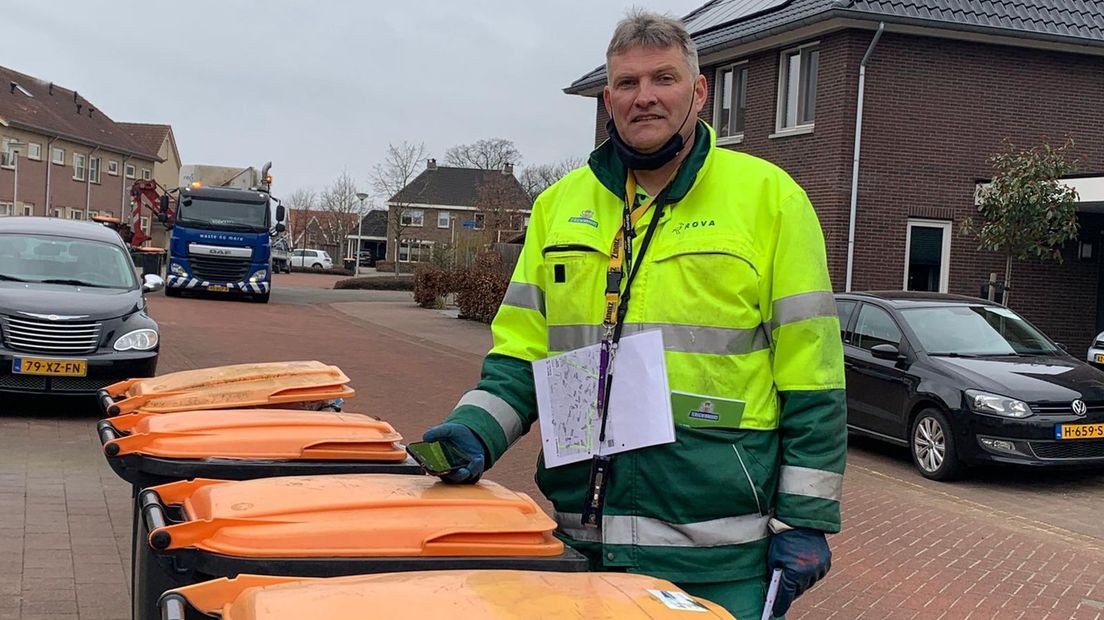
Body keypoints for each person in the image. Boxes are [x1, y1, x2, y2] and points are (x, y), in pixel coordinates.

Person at [423, 10, 846, 619]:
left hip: (721, 556)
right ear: (608, 98)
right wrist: (475, 431)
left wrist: (805, 519)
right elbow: (522, 353)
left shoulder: (771, 200)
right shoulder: (557, 208)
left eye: (663, 79)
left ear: (699, 92)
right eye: (627, 83)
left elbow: (814, 377)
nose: (644, 97)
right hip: (580, 539)